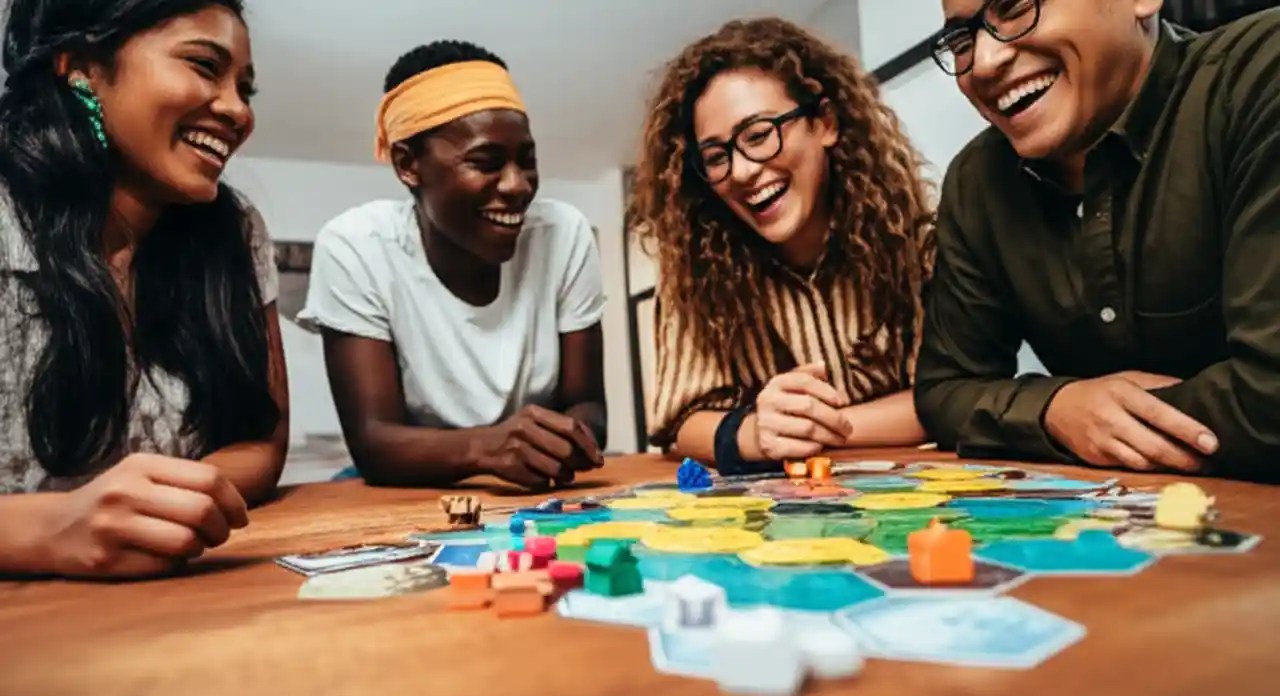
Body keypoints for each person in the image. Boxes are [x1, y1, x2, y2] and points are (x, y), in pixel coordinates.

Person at [915, 0, 1280, 481]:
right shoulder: (978, 180)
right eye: (962, 39)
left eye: (1019, 6)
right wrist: (1058, 409)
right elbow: (944, 391)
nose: (983, 62)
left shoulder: (1258, 75)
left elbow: (1269, 396)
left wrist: (1096, 415)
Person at [0, 0, 289, 578]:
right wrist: (49, 530)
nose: (237, 111)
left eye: (246, 89)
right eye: (205, 66)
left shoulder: (237, 232)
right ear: (80, 66)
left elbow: (261, 441)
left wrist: (165, 506)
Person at [630, 18, 935, 473]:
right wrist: (753, 432)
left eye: (757, 135)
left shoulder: (916, 238)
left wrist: (809, 426)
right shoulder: (694, 273)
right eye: (715, 156)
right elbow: (679, 424)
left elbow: (949, 396)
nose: (742, 171)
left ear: (825, 123)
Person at [300, 41, 607, 491]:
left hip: (539, 490)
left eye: (527, 160)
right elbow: (373, 441)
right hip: (414, 494)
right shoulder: (356, 246)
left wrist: (566, 440)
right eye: (484, 163)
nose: (518, 186)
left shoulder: (564, 233)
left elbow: (588, 406)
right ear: (408, 165)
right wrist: (488, 449)